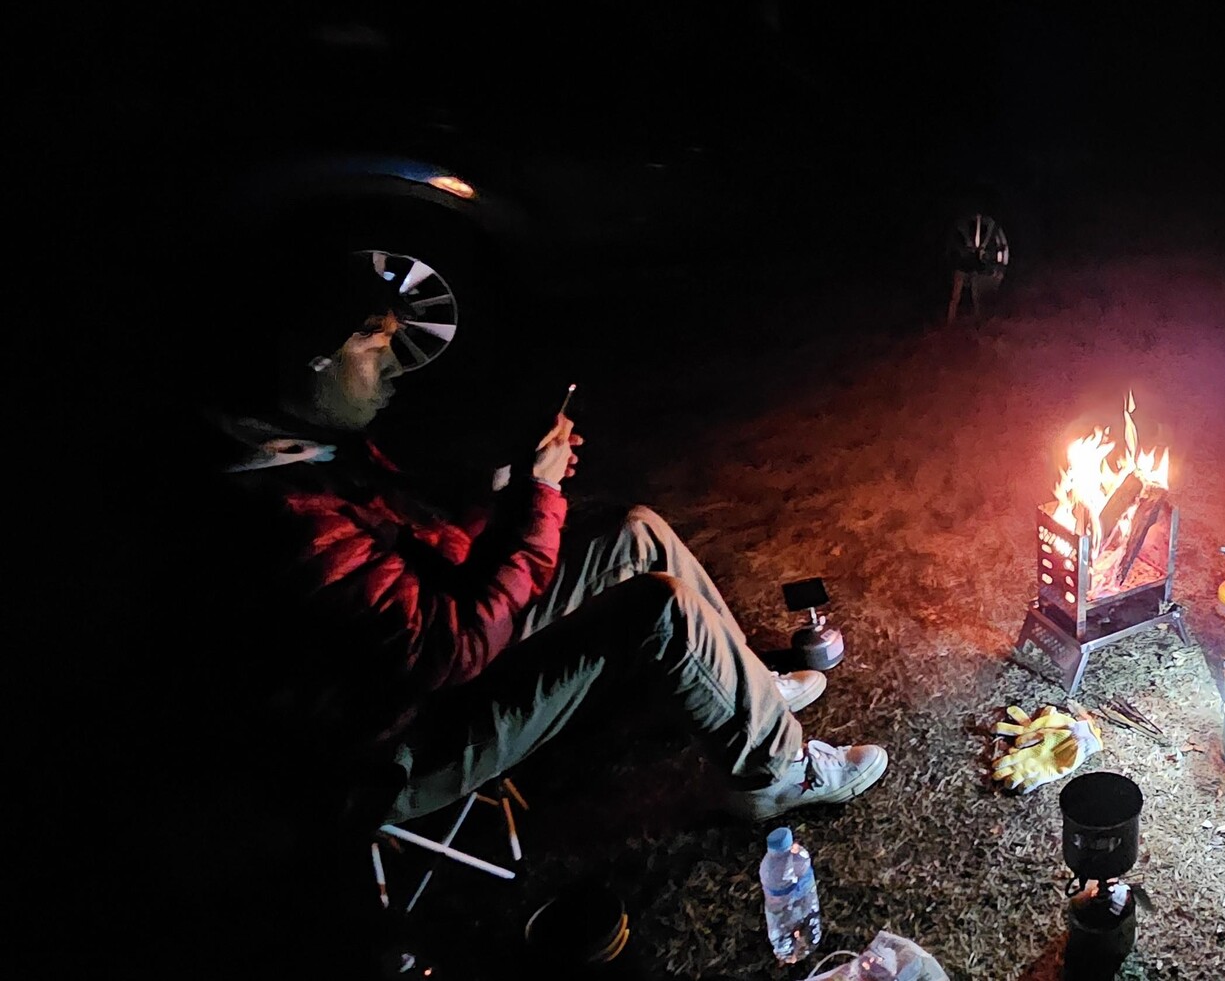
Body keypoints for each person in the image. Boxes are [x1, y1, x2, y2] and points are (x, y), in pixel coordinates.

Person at [174, 245, 887, 958]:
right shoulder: (276, 510)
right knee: (653, 606)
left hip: (438, 673)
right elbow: (452, 643)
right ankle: (775, 773)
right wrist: (539, 502)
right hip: (397, 748)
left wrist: (512, 494)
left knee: (631, 530)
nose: (394, 365)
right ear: (311, 357)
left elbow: (432, 564)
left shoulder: (313, 449)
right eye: (376, 343)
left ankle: (747, 693)